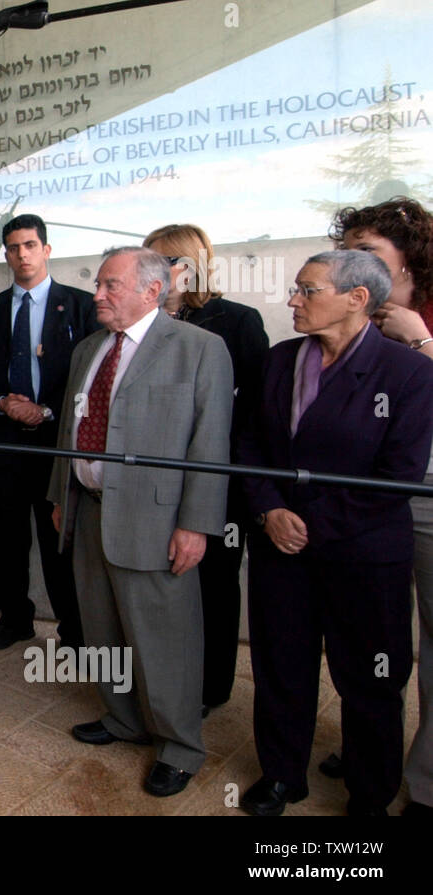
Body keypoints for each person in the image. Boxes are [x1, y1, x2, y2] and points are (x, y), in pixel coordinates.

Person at [237, 250, 433, 816]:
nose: (293, 300)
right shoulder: (277, 362)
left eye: (308, 290)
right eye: (295, 288)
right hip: (280, 551)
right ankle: (282, 776)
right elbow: (248, 446)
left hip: (365, 558)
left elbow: (397, 476)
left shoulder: (410, 374)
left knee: (370, 680)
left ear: (357, 299)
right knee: (281, 667)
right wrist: (270, 511)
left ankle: (369, 795)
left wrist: (310, 525)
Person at [48, 246, 233, 797]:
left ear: (152, 290)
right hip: (88, 511)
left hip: (157, 522)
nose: (97, 295)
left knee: (164, 640)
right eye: (98, 285)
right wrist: (63, 493)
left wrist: (196, 524)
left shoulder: (199, 349)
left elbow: (210, 444)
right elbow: (71, 430)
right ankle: (123, 718)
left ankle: (179, 745)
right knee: (102, 629)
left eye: (109, 285)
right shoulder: (88, 349)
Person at [331, 198, 433, 814]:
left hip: (428, 497)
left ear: (410, 260)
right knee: (373, 637)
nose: (351, 265)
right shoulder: (351, 319)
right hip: (368, 503)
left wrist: (421, 342)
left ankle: (424, 787)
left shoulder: (417, 324)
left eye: (366, 253)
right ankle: (376, 750)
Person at [143, 224, 269, 717]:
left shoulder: (237, 321)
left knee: (213, 587)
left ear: (186, 267)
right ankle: (160, 681)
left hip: (215, 484)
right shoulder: (141, 323)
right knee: (161, 585)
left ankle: (209, 687)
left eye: (157, 262)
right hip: (152, 483)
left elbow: (254, 410)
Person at [0, 214, 96, 652]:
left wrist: (47, 411)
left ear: (47, 250)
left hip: (58, 445)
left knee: (61, 541)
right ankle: (14, 618)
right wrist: (3, 403)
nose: (22, 254)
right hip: (3, 444)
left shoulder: (81, 306)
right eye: (14, 247)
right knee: (7, 538)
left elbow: (94, 377)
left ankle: (73, 631)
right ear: (6, 254)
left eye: (30, 245)